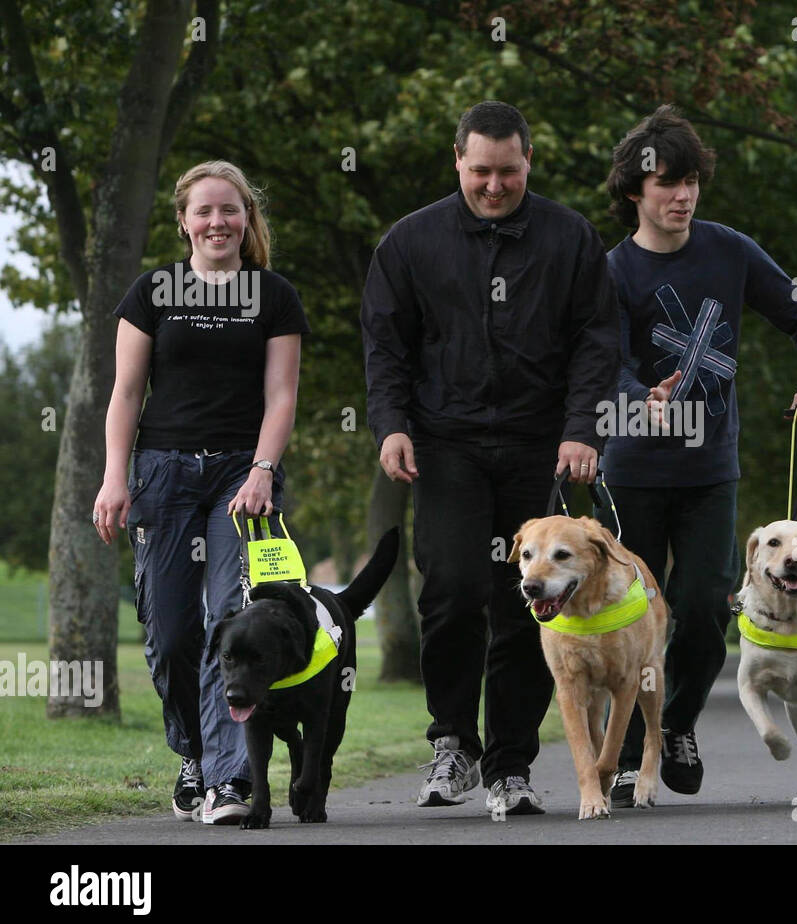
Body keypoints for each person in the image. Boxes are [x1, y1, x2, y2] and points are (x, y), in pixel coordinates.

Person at [362, 101, 619, 816]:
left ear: (528, 162)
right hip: (446, 442)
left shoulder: (570, 239)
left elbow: (598, 340)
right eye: (481, 171)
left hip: (543, 444)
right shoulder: (409, 243)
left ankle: (510, 763)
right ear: (458, 161)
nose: (495, 185)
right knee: (450, 588)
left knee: (534, 600)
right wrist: (391, 425)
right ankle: (453, 743)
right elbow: (386, 346)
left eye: (508, 171)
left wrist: (581, 429)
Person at [598, 106, 797, 805]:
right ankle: (622, 748)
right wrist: (637, 394)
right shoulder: (610, 270)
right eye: (667, 183)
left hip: (709, 470)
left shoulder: (730, 251)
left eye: (692, 181)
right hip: (632, 471)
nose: (683, 195)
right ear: (635, 193)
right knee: (632, 620)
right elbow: (599, 361)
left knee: (703, 604)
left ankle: (674, 724)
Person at [93, 160, 309, 824]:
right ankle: (190, 752)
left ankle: (227, 780)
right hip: (161, 474)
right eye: (205, 211)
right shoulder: (152, 293)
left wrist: (264, 468)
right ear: (184, 220)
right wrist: (113, 475)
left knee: (226, 621)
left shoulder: (273, 295)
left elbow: (282, 394)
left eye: (231, 210)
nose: (218, 222)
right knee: (170, 627)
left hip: (241, 478)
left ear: (247, 219)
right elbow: (127, 393)